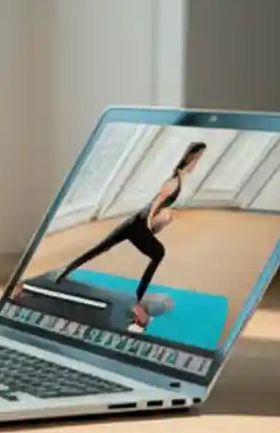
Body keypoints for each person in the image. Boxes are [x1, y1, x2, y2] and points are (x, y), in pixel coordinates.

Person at [55, 141, 207, 330]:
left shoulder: (178, 180)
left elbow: (161, 209)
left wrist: (156, 226)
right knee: (155, 253)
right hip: (140, 223)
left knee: (103, 247)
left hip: (136, 222)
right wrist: (150, 223)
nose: (197, 164)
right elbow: (155, 203)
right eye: (197, 159)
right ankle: (137, 298)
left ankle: (64, 273)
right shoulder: (174, 181)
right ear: (190, 159)